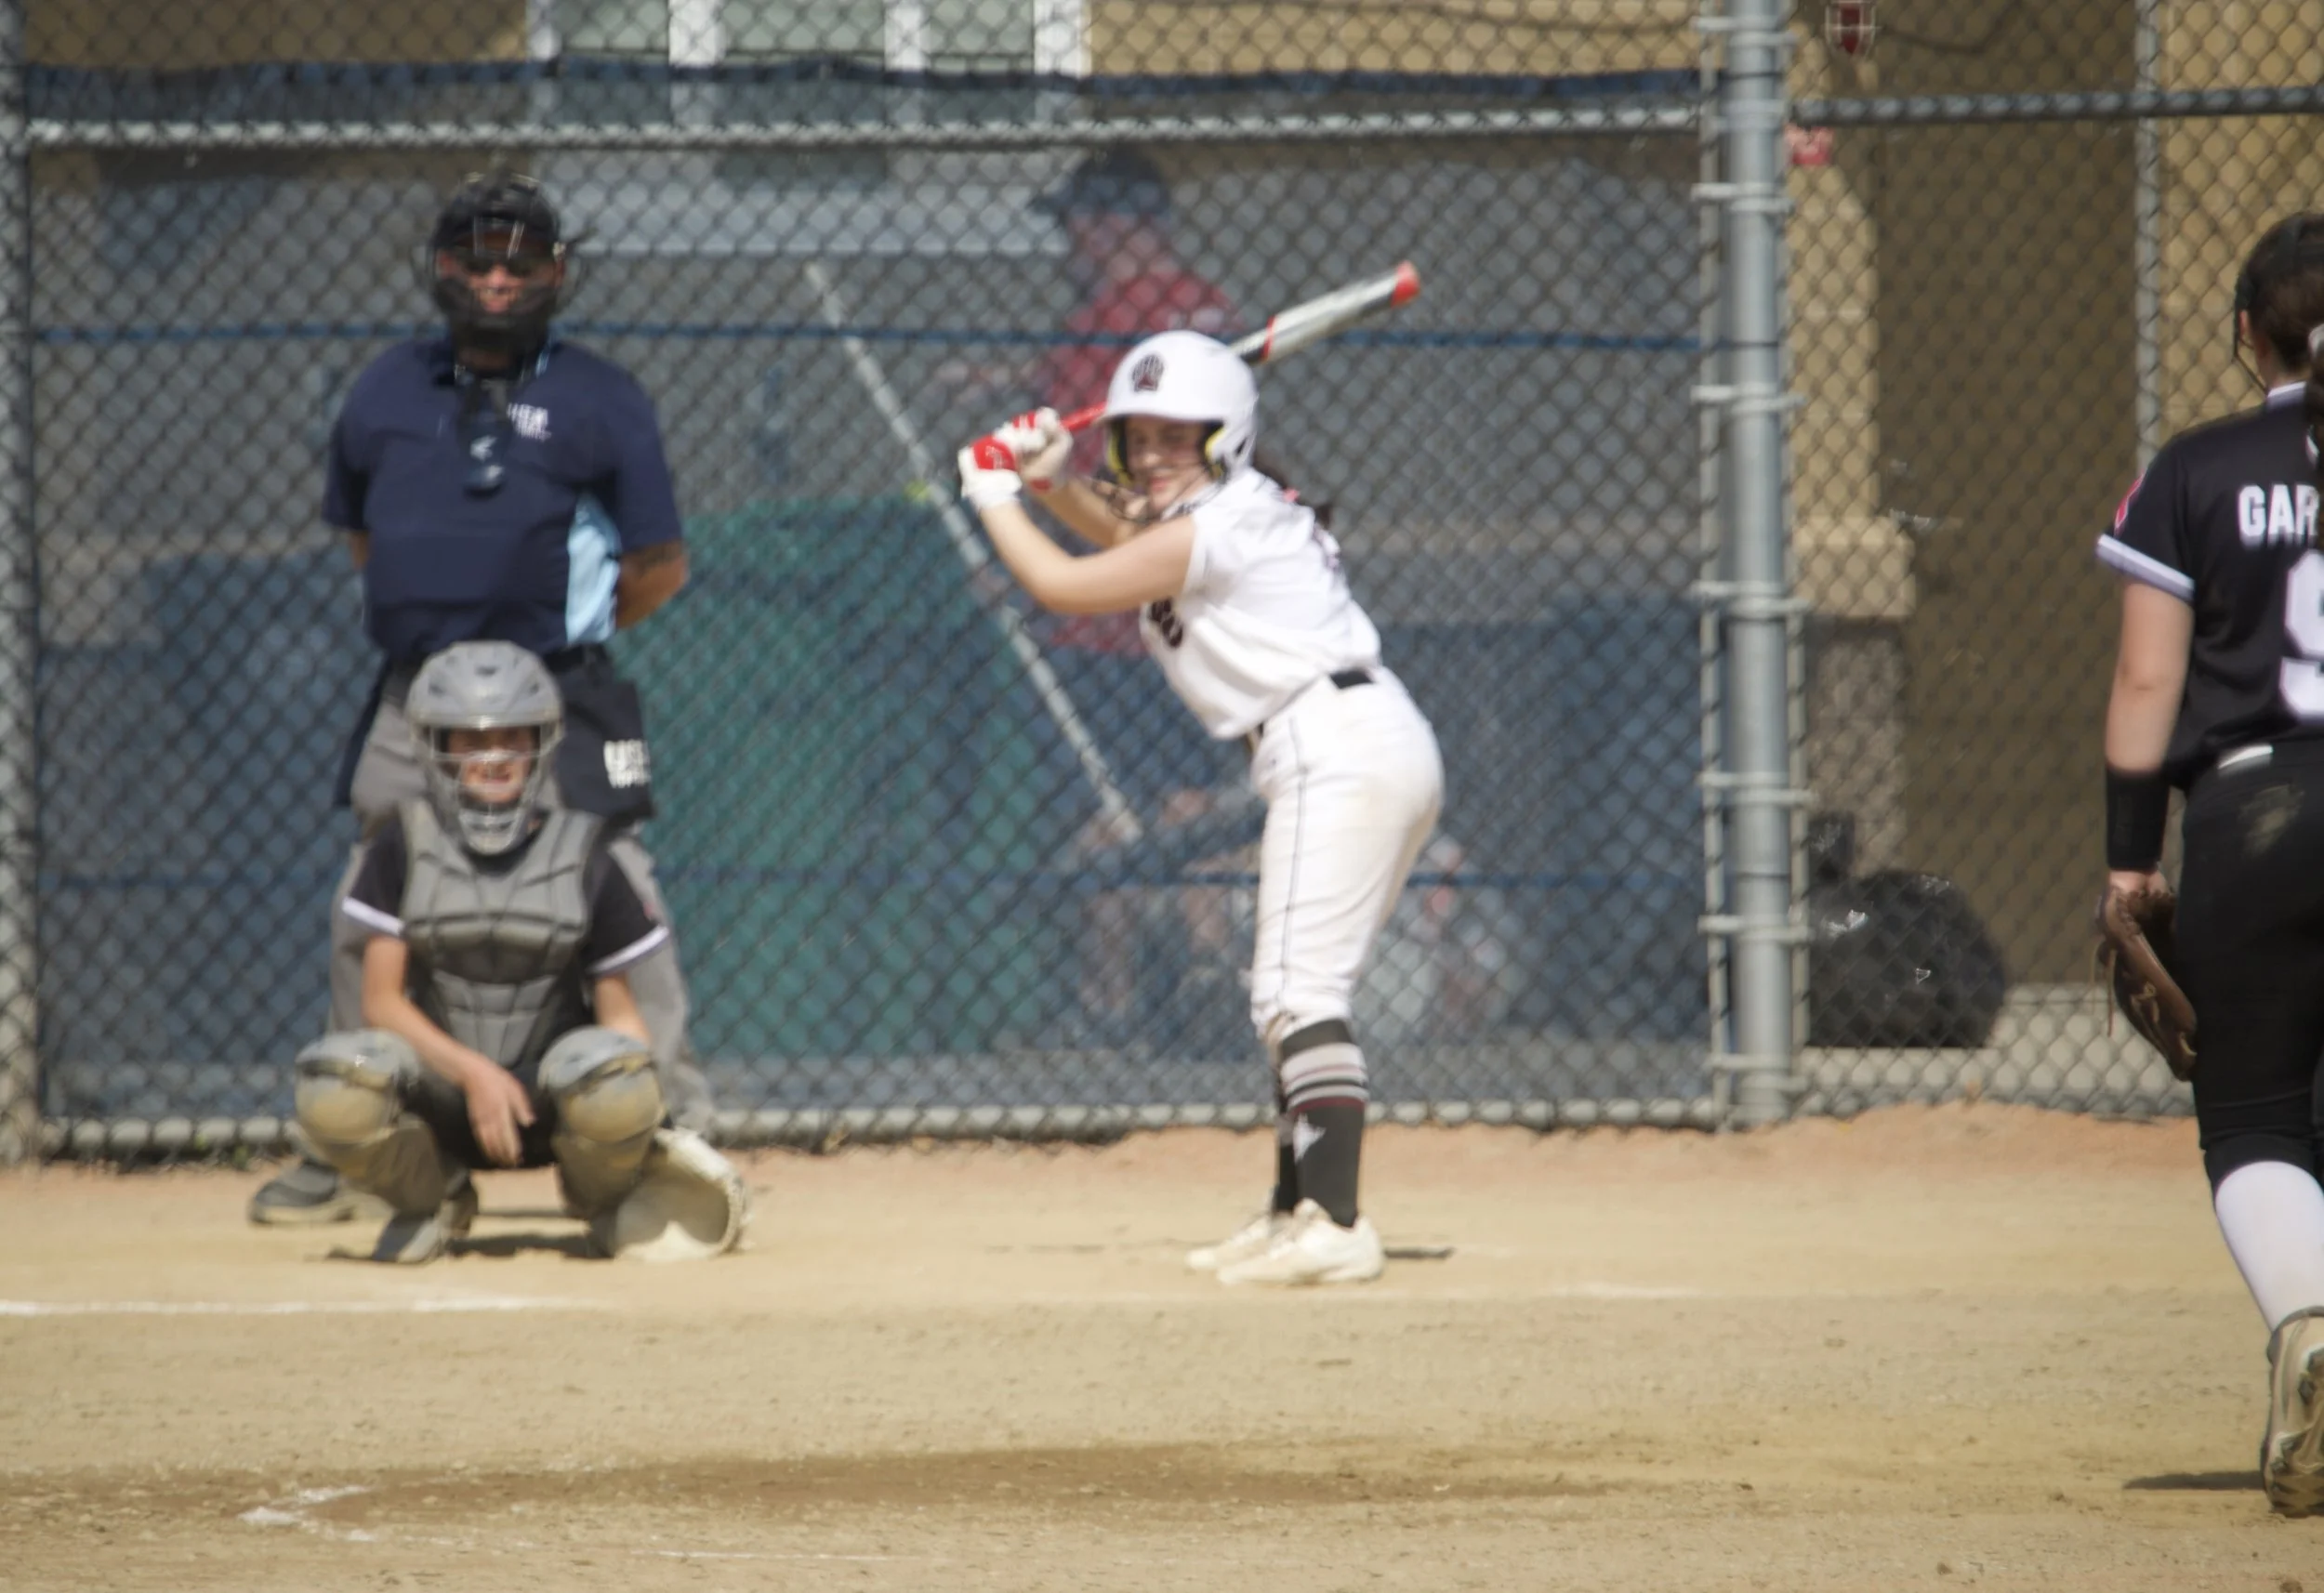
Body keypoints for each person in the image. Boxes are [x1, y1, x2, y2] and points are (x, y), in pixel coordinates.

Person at [248, 170, 715, 1226]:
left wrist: (562, 646)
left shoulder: (602, 395)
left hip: (560, 686)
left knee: (619, 878)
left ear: (558, 271)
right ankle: (346, 1151)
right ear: (441, 268)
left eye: (522, 258)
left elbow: (660, 563)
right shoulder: (383, 392)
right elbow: (366, 539)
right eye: (477, 255)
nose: (499, 276)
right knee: (372, 877)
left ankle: (669, 1123)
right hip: (417, 693)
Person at [957, 330, 1444, 1286]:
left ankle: (1335, 1222)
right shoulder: (1219, 517)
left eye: (1181, 438)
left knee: (1295, 993)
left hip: (1333, 745)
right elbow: (1131, 535)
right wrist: (1055, 485)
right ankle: (1295, 1210)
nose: (1152, 455)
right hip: (1345, 741)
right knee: (1291, 992)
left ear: (1229, 439)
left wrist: (992, 490)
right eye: (1139, 438)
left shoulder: (1224, 522)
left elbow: (1062, 583)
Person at [2094, 212, 2324, 1515]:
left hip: (2255, 813)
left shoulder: (2197, 468)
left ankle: (2307, 1319)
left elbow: (2145, 678)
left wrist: (2131, 865)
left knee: (2255, 1117)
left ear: (2250, 336)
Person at [294, 641, 746, 1265]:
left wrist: (652, 1121)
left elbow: (620, 1017)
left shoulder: (587, 851)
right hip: (445, 1097)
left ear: (544, 743)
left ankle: (603, 1197)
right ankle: (436, 1196)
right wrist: (475, 1076)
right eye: (471, 740)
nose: (495, 756)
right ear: (434, 747)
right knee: (335, 1084)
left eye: (514, 737)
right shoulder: (403, 844)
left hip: (555, 1099)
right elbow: (380, 1002)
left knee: (617, 1075)